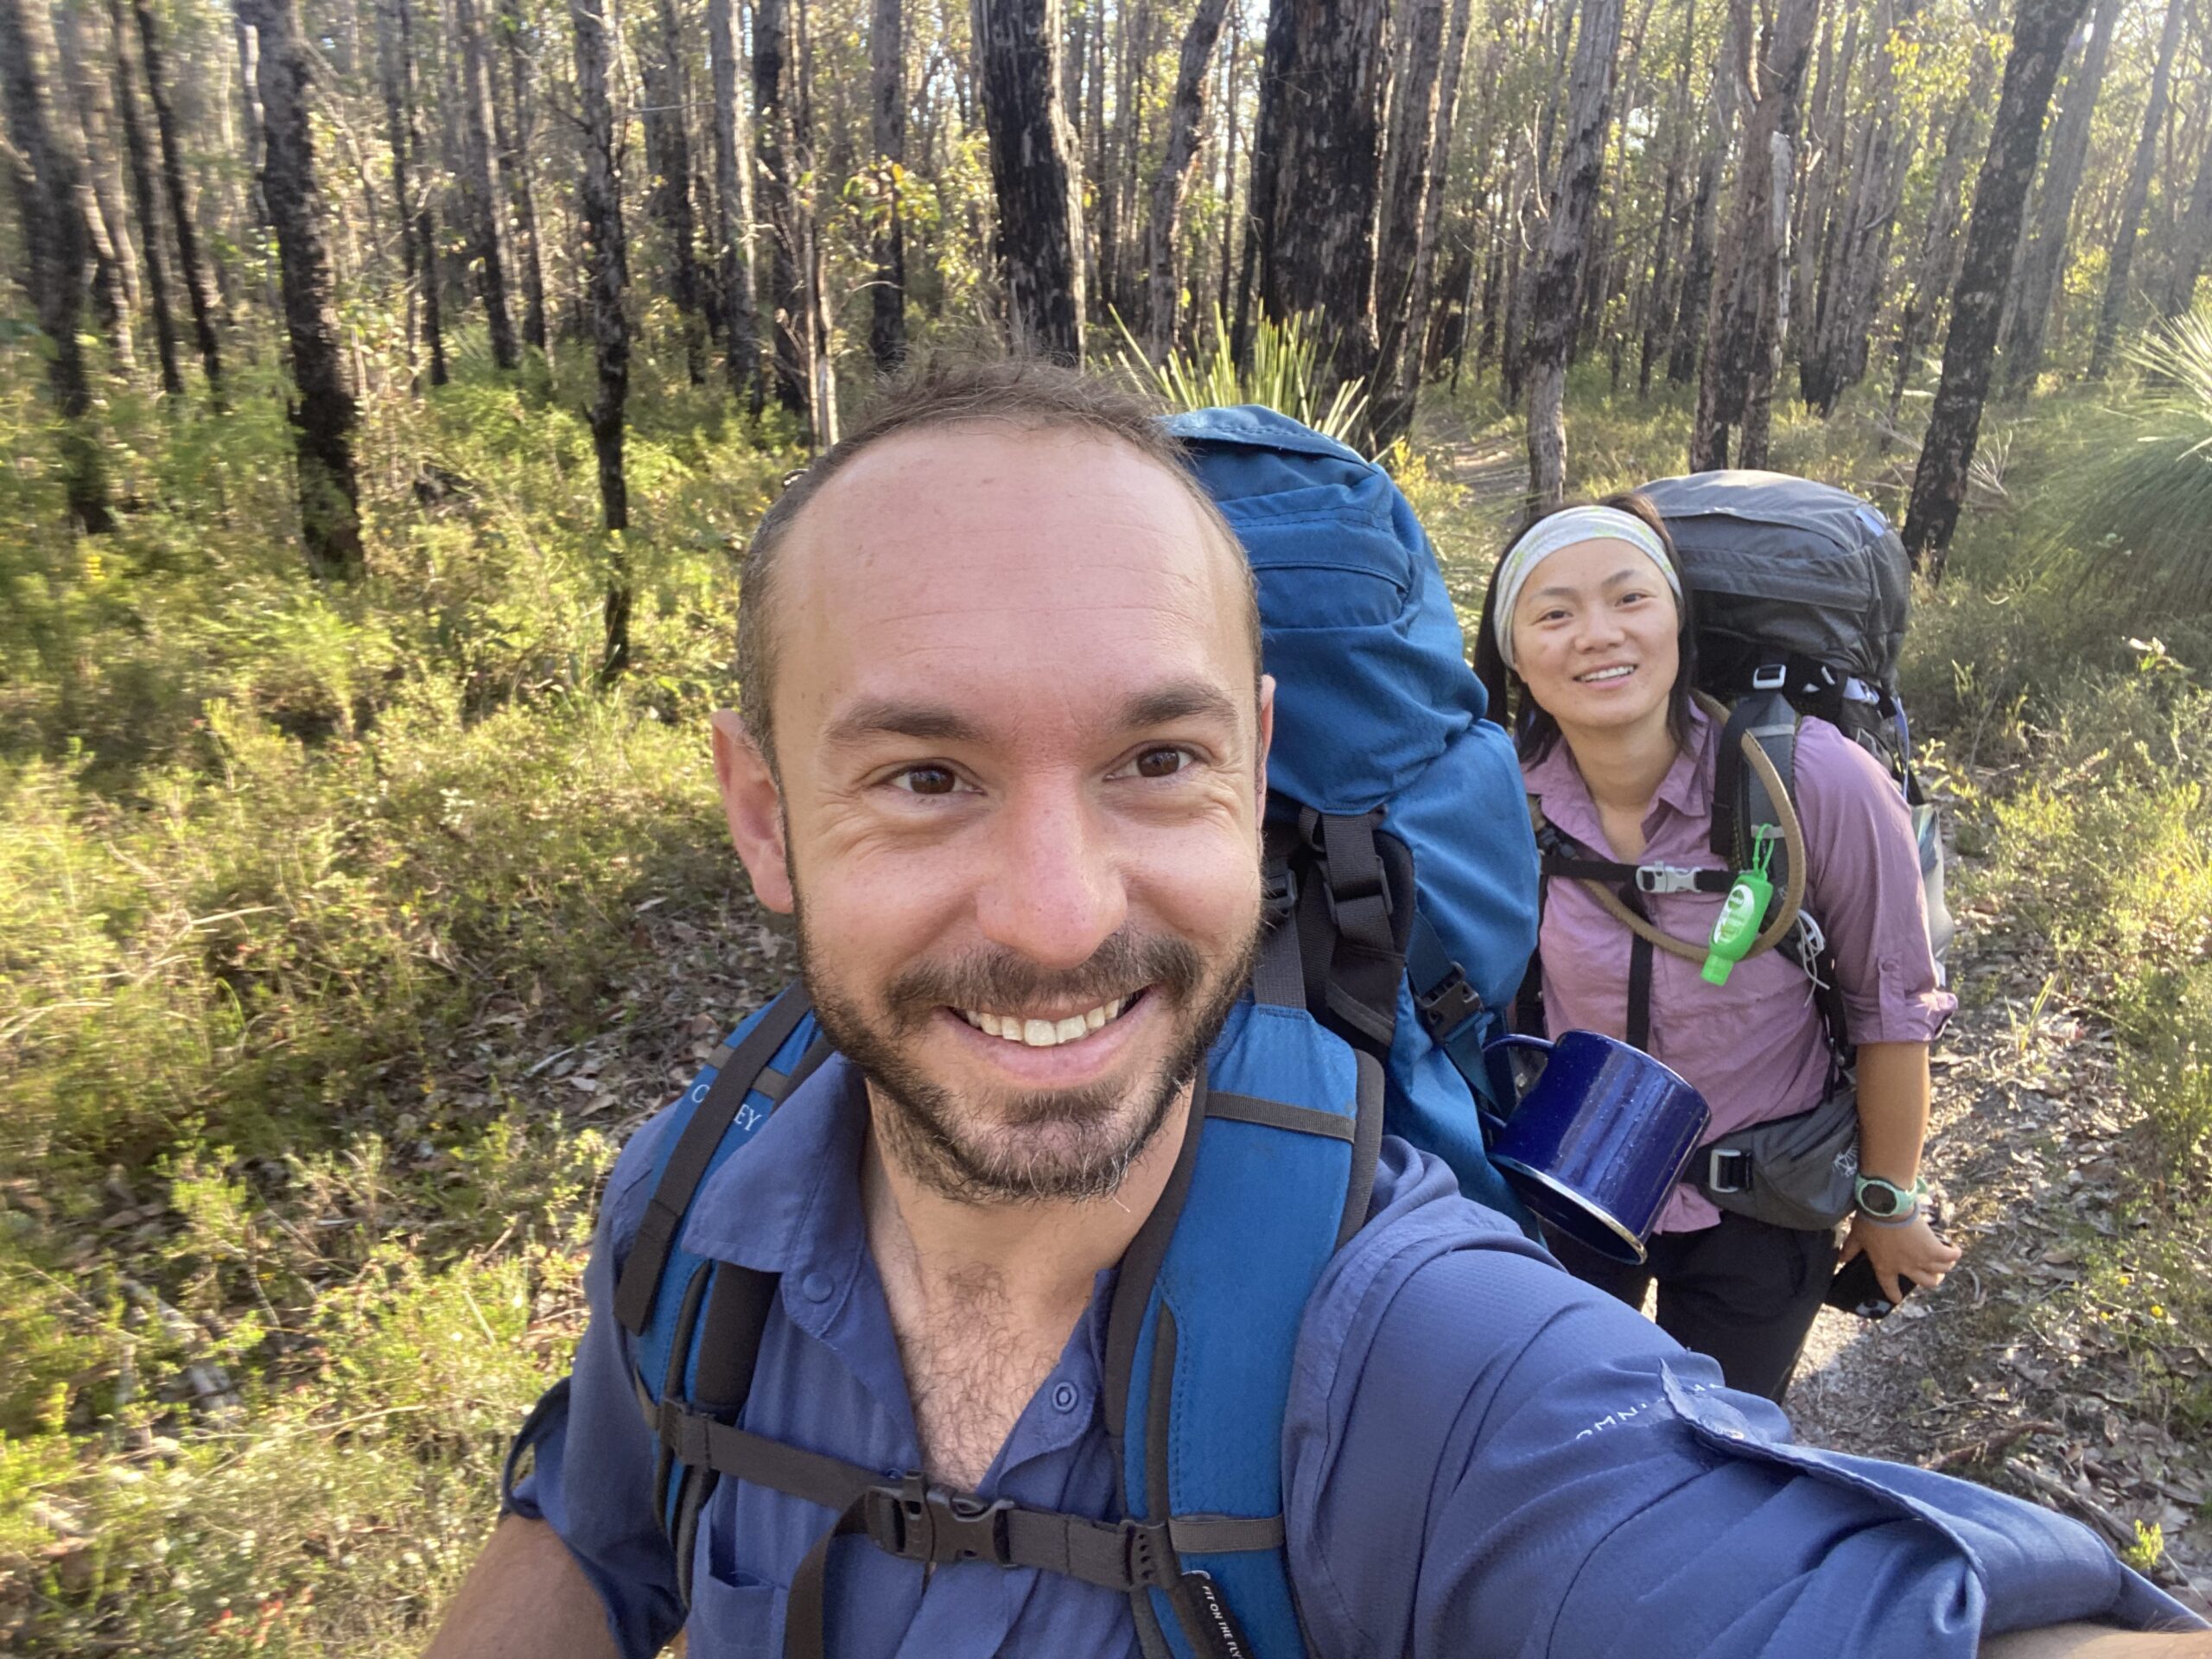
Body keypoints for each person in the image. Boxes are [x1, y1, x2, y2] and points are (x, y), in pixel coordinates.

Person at [423, 361, 2203, 1659]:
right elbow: (589, 1518)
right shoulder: (688, 1202)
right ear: (761, 812)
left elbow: (1734, 1555)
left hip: (1732, 1211)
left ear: (1255, 770)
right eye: (922, 774)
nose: (1058, 916)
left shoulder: (1415, 1357)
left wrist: (1880, 1201)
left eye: (1156, 759)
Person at [1472, 494, 1964, 1402]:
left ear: (1676, 620)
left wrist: (1888, 1199)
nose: (1595, 635)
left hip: (1761, 1205)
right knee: (1581, 1428)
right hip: (1576, 1180)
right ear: (1513, 651)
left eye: (1629, 599)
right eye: (1553, 613)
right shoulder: (1502, 801)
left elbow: (1890, 1006)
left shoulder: (1812, 782)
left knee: (1727, 1447)